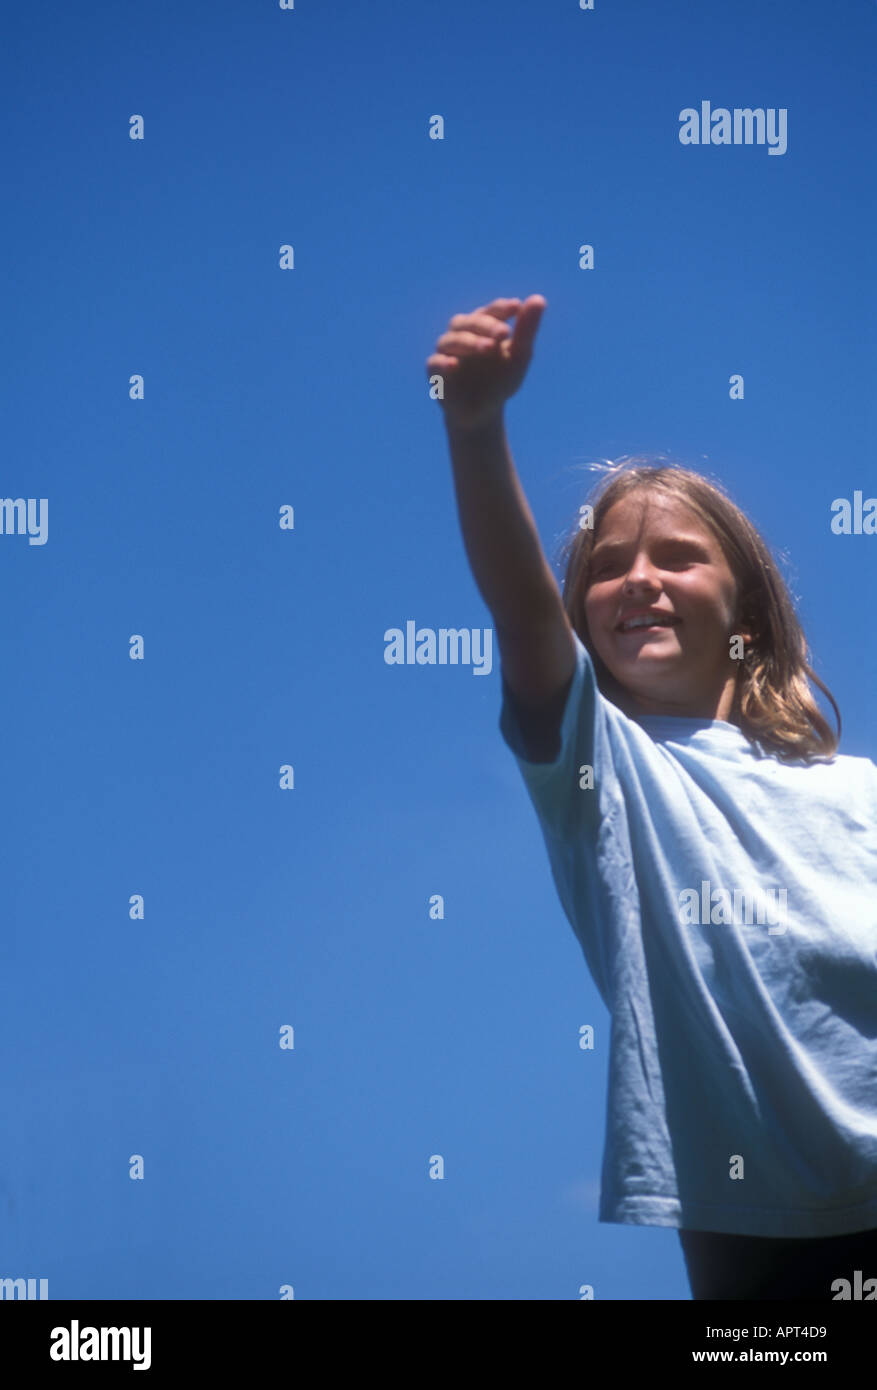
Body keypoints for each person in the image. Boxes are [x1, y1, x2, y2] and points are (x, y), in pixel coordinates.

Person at [426, 296, 877, 1300]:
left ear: (746, 608)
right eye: (606, 568)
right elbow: (518, 607)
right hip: (762, 1242)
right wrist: (474, 424)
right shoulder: (603, 771)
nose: (640, 579)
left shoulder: (862, 795)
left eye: (676, 556)